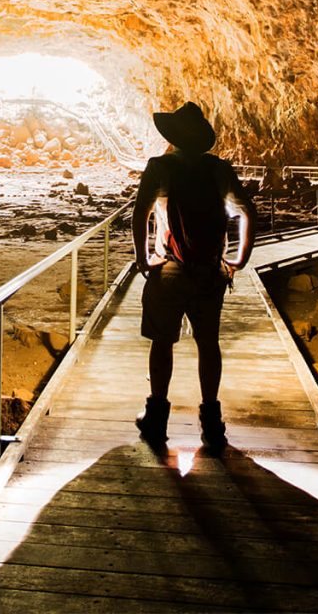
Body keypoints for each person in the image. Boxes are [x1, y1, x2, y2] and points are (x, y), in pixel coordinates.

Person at [132, 101, 256, 452]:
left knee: (162, 341)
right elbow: (247, 211)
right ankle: (211, 421)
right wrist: (237, 258)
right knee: (208, 343)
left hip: (168, 269)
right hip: (208, 272)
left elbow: (141, 212)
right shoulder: (218, 170)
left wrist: (143, 259)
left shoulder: (160, 167)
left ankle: (157, 418)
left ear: (172, 136)